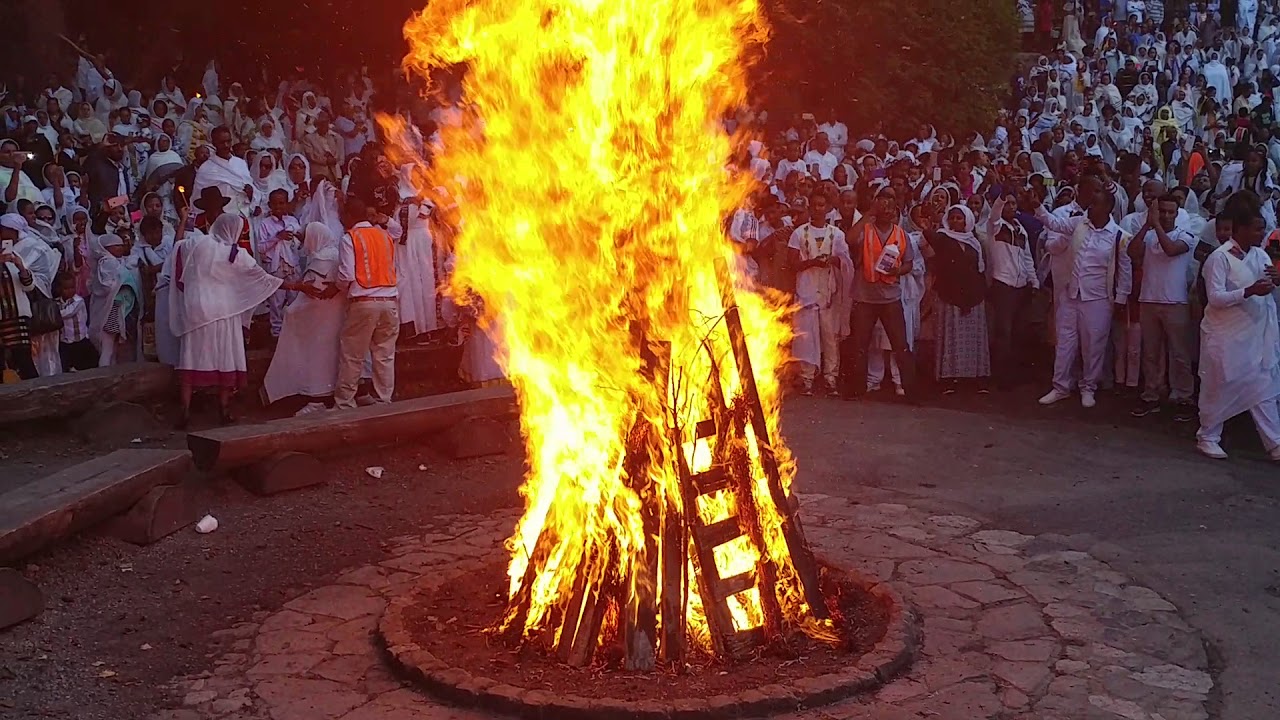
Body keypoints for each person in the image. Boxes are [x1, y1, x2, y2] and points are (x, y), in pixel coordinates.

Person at [170, 214, 281, 427]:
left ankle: (184, 411)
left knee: (191, 356)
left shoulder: (198, 243)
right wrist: (295, 286)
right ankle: (223, 409)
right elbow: (263, 279)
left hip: (197, 308)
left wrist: (183, 220)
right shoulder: (237, 254)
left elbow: (177, 248)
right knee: (225, 356)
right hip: (224, 309)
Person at [1196, 194, 1280, 460]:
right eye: (1257, 229)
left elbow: (1269, 293)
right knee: (1219, 387)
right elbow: (1215, 298)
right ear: (1241, 229)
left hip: (1255, 338)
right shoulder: (1218, 258)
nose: (1262, 233)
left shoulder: (1260, 256)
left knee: (1262, 388)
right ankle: (1207, 436)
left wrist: (1277, 281)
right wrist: (1249, 291)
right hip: (1226, 337)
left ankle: (1275, 444)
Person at [1035, 185, 1134, 408]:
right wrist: (1037, 207)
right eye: (1090, 203)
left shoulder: (1120, 236)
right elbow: (1054, 223)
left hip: (1098, 298)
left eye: (1096, 203)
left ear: (1108, 207)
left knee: (1094, 345)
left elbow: (1124, 271)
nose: (1090, 207)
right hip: (1071, 294)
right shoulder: (1079, 223)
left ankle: (1088, 387)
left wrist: (1120, 299)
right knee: (1065, 342)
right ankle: (1060, 386)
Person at [841, 186, 920, 401]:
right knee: (859, 345)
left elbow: (909, 263)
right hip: (864, 296)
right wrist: (869, 213)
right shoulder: (866, 228)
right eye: (882, 203)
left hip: (890, 297)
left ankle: (911, 392)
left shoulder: (901, 234)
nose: (886, 208)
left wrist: (898, 270)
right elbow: (849, 239)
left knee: (900, 346)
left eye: (890, 204)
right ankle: (856, 389)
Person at [263, 222, 348, 413]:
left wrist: (291, 310)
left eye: (304, 237)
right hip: (334, 319)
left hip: (319, 321)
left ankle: (317, 398)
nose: (302, 242)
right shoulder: (336, 255)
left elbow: (314, 292)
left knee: (317, 358)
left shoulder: (320, 260)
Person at [1128, 194, 1199, 421]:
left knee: (1179, 354)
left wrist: (1155, 224)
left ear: (1177, 214)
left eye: (1170, 212)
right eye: (1163, 211)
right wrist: (1148, 225)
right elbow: (1132, 252)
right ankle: (1151, 395)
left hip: (1175, 301)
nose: (1166, 216)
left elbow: (1170, 249)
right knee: (1150, 353)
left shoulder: (1186, 236)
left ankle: (1184, 397)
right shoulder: (1149, 235)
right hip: (1149, 299)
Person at [333, 196, 400, 408]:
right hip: (390, 301)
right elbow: (398, 231)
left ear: (349, 216)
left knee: (353, 355)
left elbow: (346, 275)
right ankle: (383, 401)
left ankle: (345, 403)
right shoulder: (385, 235)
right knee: (385, 355)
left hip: (363, 301)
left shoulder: (349, 238)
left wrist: (335, 289)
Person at [787, 192, 852, 396]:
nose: (817, 209)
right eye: (814, 205)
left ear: (827, 208)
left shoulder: (837, 234)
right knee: (807, 335)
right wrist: (813, 262)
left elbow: (846, 261)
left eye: (821, 205)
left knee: (830, 336)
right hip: (806, 290)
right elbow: (792, 263)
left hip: (828, 290)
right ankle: (807, 378)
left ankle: (830, 377)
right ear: (809, 208)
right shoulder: (799, 233)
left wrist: (832, 261)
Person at [921, 204, 992, 393]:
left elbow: (979, 269)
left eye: (959, 218)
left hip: (973, 296)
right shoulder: (943, 238)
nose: (955, 221)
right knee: (951, 338)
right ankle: (949, 379)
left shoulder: (974, 242)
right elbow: (931, 236)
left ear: (967, 220)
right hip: (950, 295)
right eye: (952, 217)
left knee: (972, 339)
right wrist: (929, 223)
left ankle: (975, 379)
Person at [395, 173, 440, 338]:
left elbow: (424, 214)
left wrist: (419, 200)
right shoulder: (398, 194)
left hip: (422, 242)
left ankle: (429, 326)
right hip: (405, 244)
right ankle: (414, 326)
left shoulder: (426, 196)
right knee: (410, 281)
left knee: (426, 280)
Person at [255, 189, 302, 337]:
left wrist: (296, 237)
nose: (278, 207)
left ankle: (294, 329)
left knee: (294, 298)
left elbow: (300, 243)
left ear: (287, 204)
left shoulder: (293, 221)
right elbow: (261, 247)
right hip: (275, 265)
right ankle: (277, 332)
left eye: (281, 203)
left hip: (292, 264)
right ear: (269, 205)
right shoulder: (265, 224)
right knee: (276, 301)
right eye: (275, 204)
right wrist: (277, 238)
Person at [0, 214, 38, 379]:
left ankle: (36, 398)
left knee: (24, 360)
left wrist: (21, 268)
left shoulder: (15, 255)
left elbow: (29, 286)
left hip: (18, 317)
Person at [56, 271, 95, 372]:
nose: (70, 291)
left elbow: (68, 312)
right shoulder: (56, 303)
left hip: (80, 338)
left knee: (86, 365)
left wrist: (55, 314)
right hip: (66, 340)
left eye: (72, 287)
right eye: (66, 288)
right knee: (66, 366)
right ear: (60, 289)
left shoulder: (78, 301)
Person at [301, 110, 344, 183]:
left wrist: (334, 160)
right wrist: (326, 161)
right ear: (317, 125)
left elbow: (339, 155)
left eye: (326, 123)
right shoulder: (308, 138)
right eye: (321, 123)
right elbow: (311, 156)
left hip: (334, 174)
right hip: (318, 173)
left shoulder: (333, 138)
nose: (324, 125)